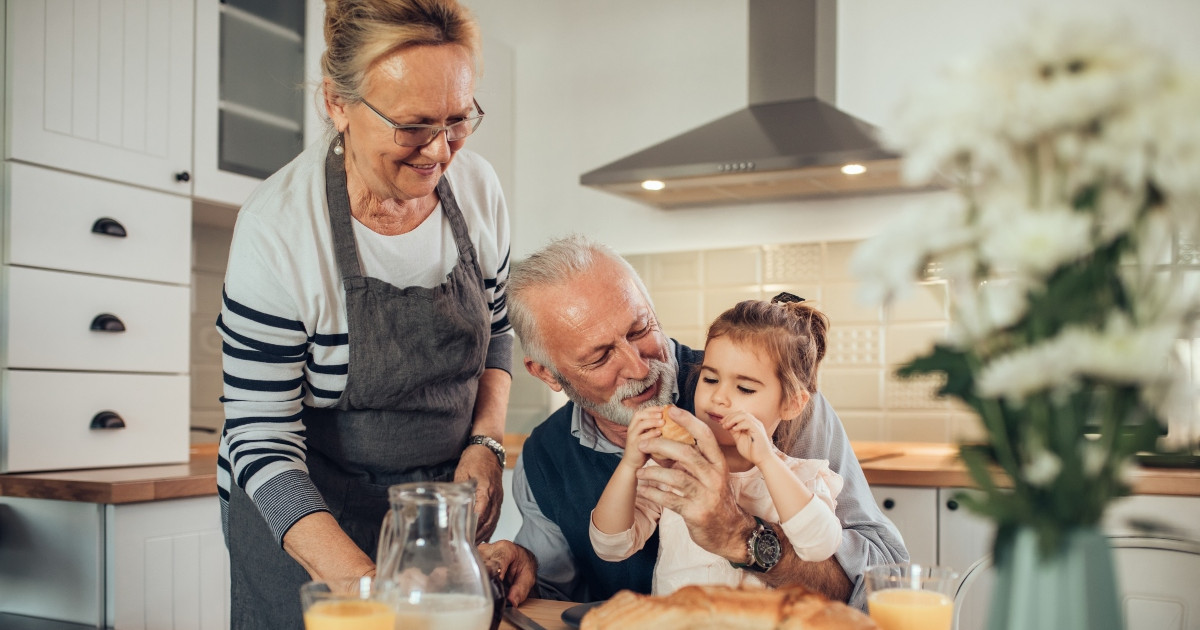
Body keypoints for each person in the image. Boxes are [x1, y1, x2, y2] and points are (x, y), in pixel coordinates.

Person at [215, 1, 511, 627]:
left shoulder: (479, 191)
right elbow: (260, 439)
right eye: (413, 125)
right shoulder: (279, 229)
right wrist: (375, 594)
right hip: (307, 514)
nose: (441, 152)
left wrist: (487, 443)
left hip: (436, 518)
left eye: (459, 119)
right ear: (337, 103)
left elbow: (499, 335)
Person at [484, 234, 907, 611]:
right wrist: (526, 568)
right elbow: (555, 594)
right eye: (599, 357)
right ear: (546, 374)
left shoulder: (769, 407)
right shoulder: (544, 455)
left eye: (639, 328)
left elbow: (884, 585)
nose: (637, 366)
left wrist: (743, 538)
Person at [590, 297, 845, 595]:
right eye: (710, 379)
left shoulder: (802, 477)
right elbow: (611, 545)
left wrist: (767, 461)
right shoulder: (674, 466)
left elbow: (819, 546)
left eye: (745, 388)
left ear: (791, 404)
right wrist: (630, 464)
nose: (719, 397)